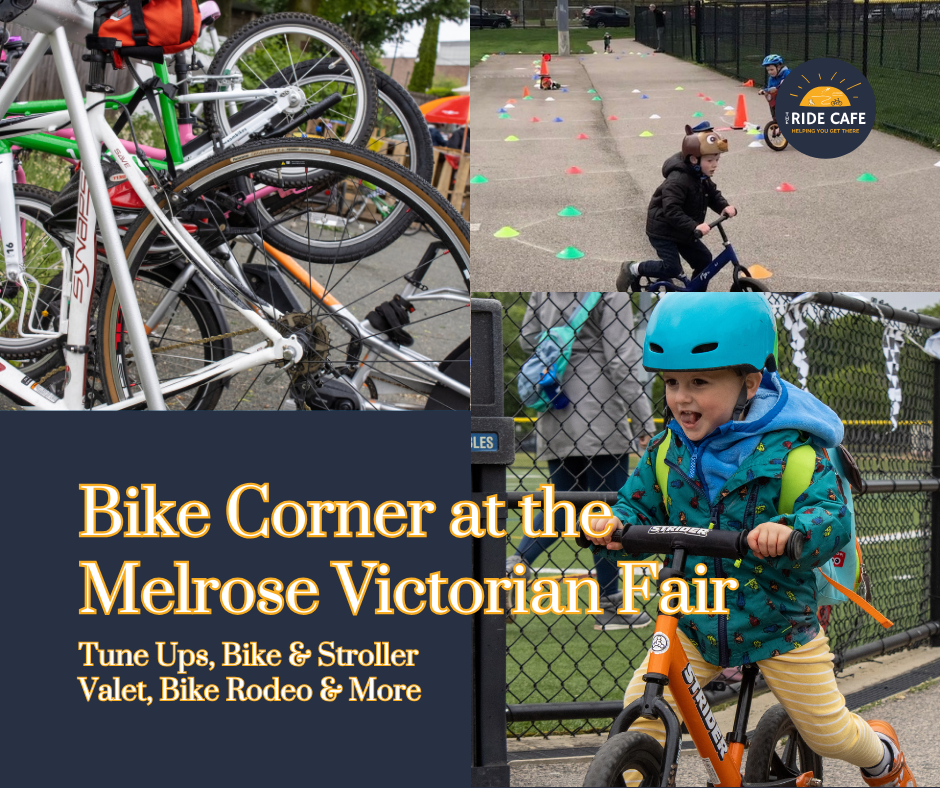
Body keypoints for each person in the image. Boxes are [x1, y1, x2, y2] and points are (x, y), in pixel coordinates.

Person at [583, 294, 917, 787]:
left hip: (778, 620)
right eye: (672, 382)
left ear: (750, 383)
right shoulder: (665, 450)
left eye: (700, 382)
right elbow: (636, 504)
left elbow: (830, 516)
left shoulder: (794, 453)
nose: (681, 398)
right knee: (642, 713)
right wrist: (614, 523)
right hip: (696, 617)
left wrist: (792, 531)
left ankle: (883, 755)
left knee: (828, 733)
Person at [508, 292, 656, 630]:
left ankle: (514, 566)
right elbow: (620, 359)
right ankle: (611, 603)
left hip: (556, 403)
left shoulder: (544, 286)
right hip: (598, 406)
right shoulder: (609, 289)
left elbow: (528, 336)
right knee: (607, 513)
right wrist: (644, 422)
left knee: (561, 506)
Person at [618, 123, 737, 290]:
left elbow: (712, 194)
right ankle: (633, 268)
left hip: (683, 230)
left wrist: (724, 206)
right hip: (663, 230)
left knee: (704, 259)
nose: (714, 164)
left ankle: (695, 295)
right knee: (672, 267)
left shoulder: (701, 176)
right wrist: (694, 226)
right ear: (694, 159)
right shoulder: (678, 180)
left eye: (717, 159)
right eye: (710, 160)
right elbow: (671, 210)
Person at [759, 54, 791, 121]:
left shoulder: (786, 73)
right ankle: (776, 122)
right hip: (776, 98)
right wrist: (764, 91)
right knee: (773, 106)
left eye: (772, 69)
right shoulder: (771, 78)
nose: (770, 72)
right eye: (768, 70)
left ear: (778, 67)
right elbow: (769, 88)